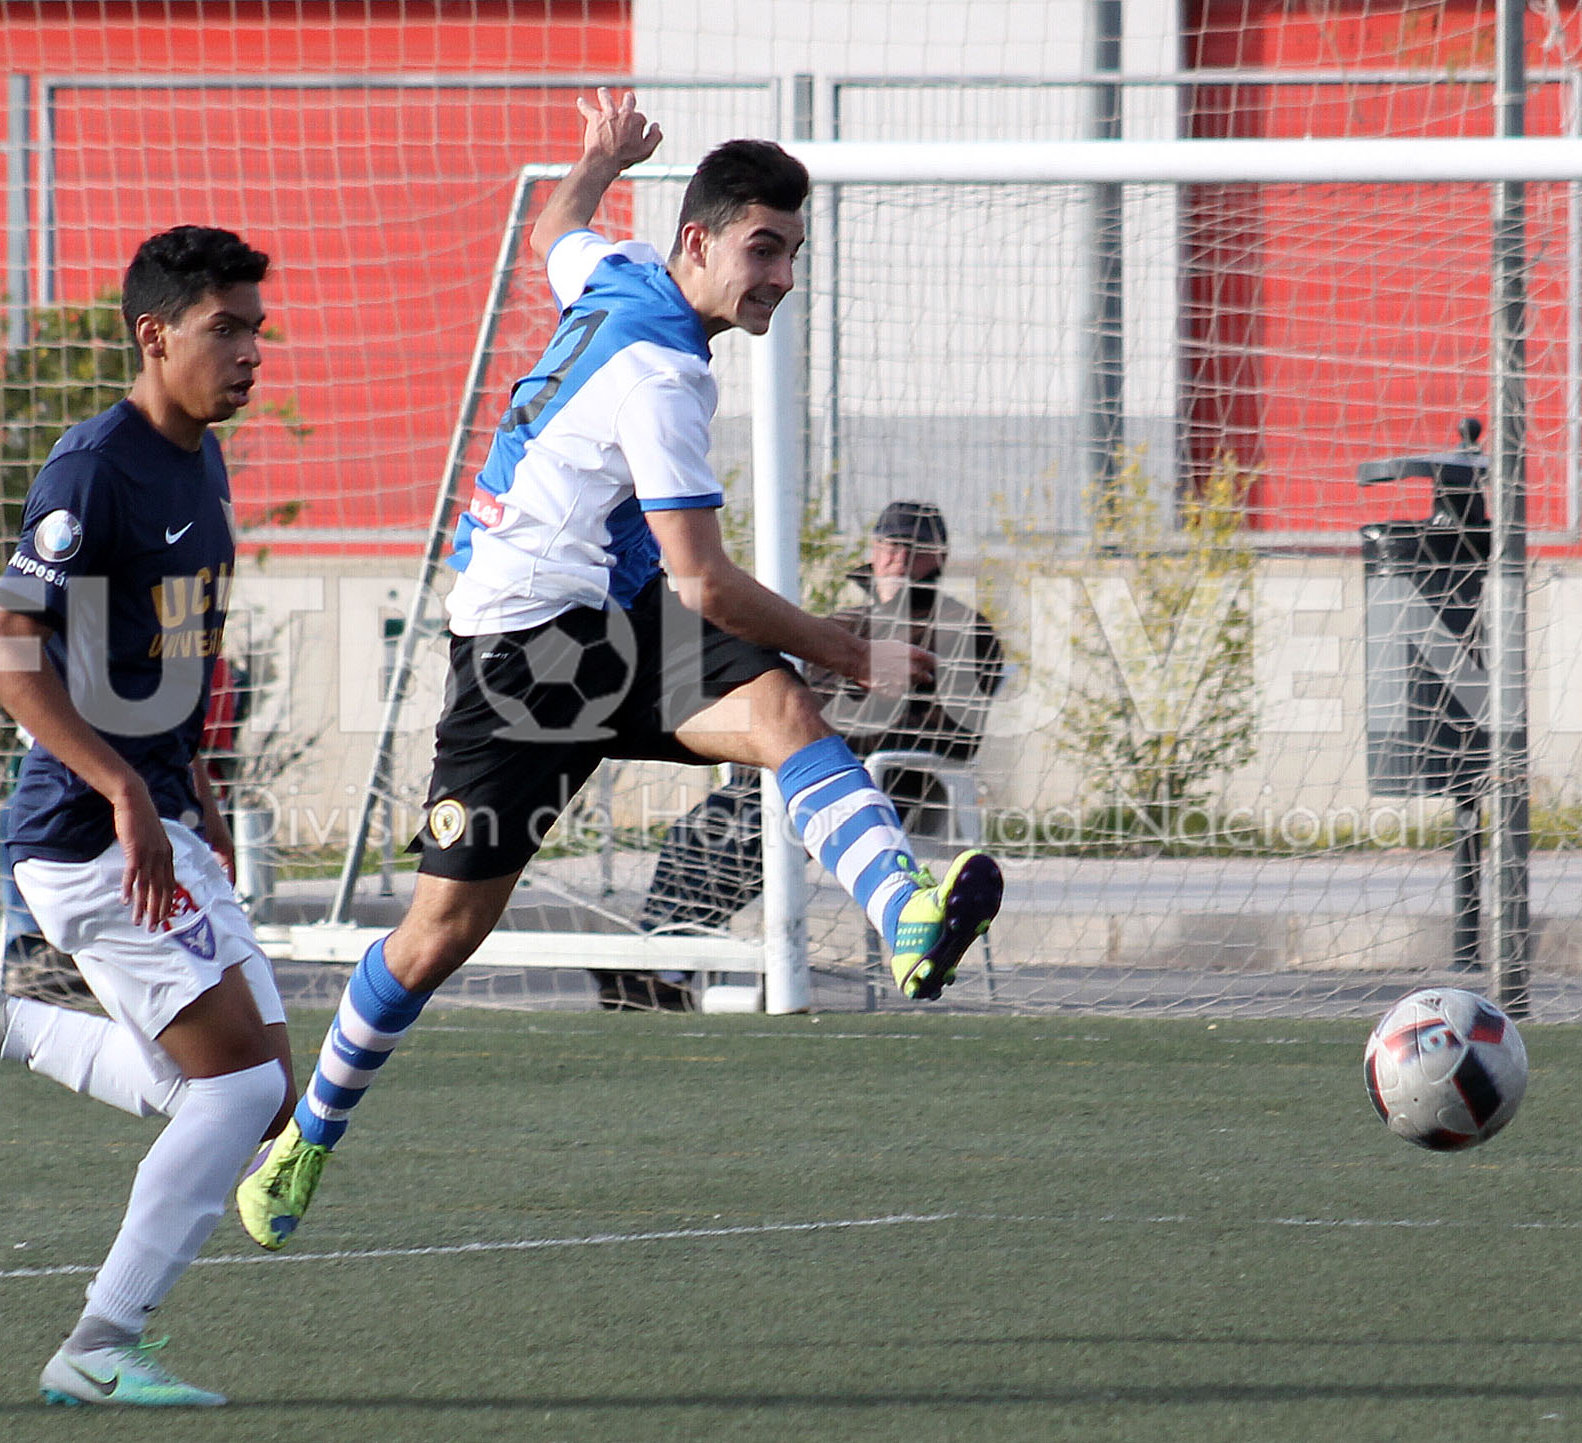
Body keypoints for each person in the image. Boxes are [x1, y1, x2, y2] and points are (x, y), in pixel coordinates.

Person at [236, 90, 1004, 1250]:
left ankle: (905, 918)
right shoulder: (661, 375)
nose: (781, 278)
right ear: (697, 241)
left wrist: (594, 163)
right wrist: (853, 644)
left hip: (614, 613)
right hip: (524, 654)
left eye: (793, 253)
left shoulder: (615, 272)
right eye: (763, 248)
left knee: (785, 714)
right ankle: (305, 1138)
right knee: (441, 935)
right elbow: (704, 580)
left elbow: (553, 234)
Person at [0, 226, 295, 1409]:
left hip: (158, 813)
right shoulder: (90, 470)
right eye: (230, 328)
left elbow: (164, 652)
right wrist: (121, 793)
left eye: (259, 325)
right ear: (156, 337)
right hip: (84, 837)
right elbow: (10, 662)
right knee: (239, 1095)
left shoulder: (202, 460)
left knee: (255, 1099)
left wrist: (192, 781)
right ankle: (100, 1344)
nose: (255, 349)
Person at [604, 498, 1006, 1010]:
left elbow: (957, 734)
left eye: (914, 548)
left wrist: (839, 730)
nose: (898, 558)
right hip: (794, 768)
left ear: (940, 556)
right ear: (873, 552)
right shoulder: (843, 623)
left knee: (753, 830)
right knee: (698, 831)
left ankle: (676, 969)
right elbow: (790, 694)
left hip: (891, 779)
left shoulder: (964, 630)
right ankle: (659, 962)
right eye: (889, 545)